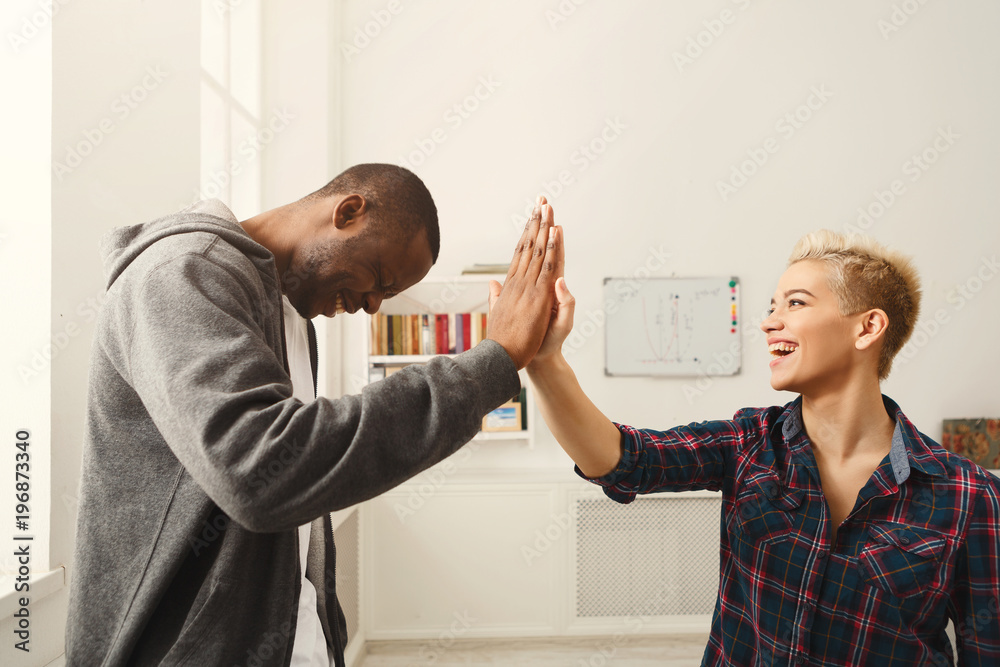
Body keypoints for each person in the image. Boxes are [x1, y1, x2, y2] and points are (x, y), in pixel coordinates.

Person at [66, 164, 562, 666]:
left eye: (386, 297)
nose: (371, 307)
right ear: (347, 212)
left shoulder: (290, 318)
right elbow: (259, 470)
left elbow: (300, 497)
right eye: (380, 279)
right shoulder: (183, 273)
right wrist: (488, 365)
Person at [517, 214, 1000, 666]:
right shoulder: (749, 444)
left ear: (868, 327)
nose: (769, 322)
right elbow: (622, 458)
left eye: (796, 303)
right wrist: (543, 360)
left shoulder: (969, 496)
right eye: (772, 307)